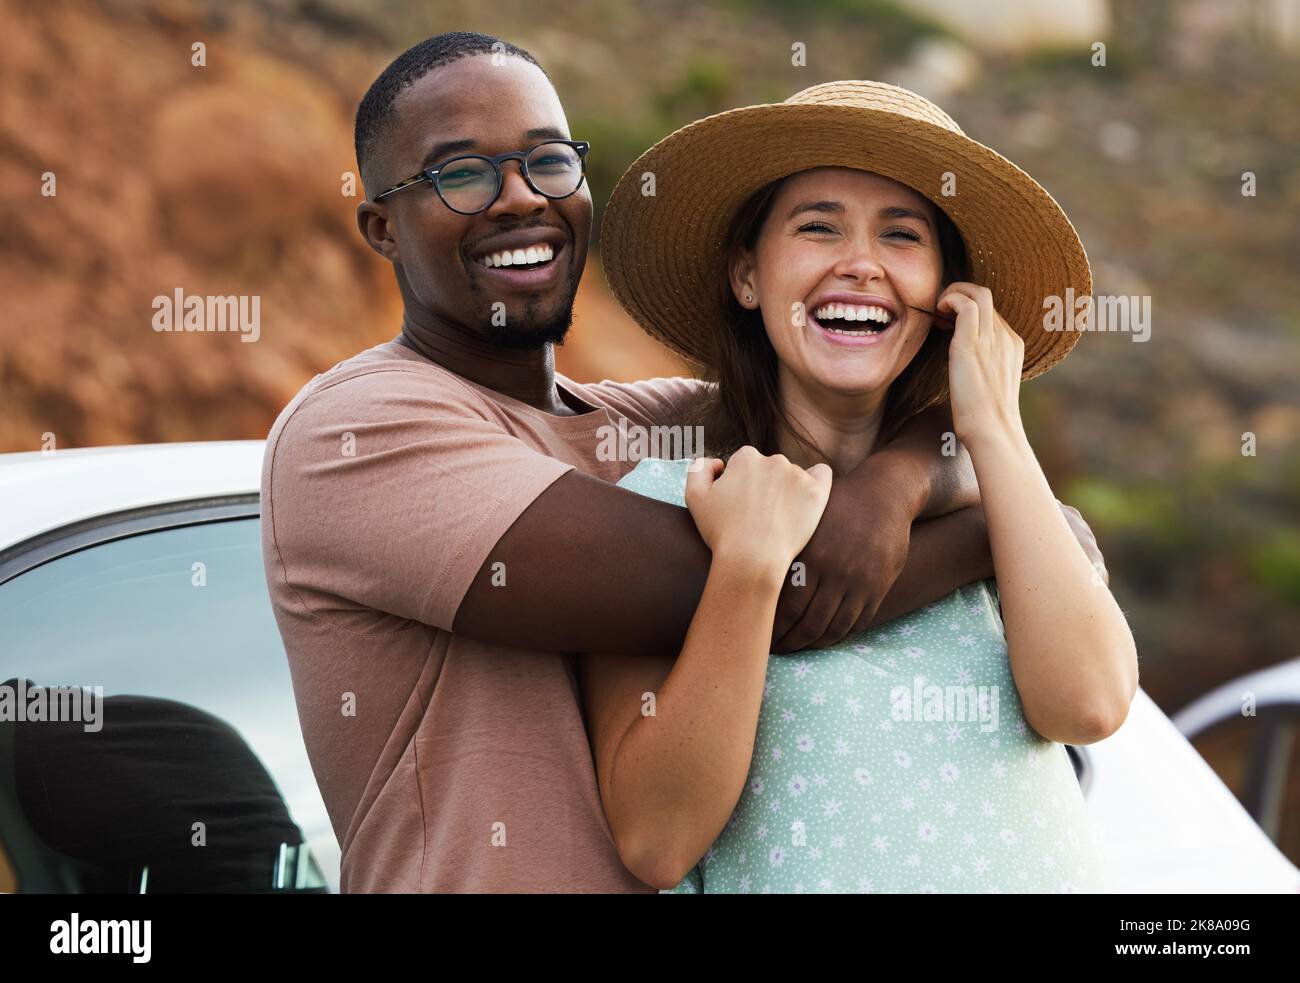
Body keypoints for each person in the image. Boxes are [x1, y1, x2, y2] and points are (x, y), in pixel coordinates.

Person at [261, 34, 1108, 892]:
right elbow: (796, 581)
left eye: (548, 161)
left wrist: (924, 469)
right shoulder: (358, 432)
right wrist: (994, 540)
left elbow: (859, 415)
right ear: (382, 228)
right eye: (462, 174)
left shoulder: (657, 425)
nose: (520, 198)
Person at [581, 79, 1138, 893]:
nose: (861, 264)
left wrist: (994, 428)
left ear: (949, 299)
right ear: (746, 276)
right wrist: (747, 566)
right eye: (817, 227)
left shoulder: (996, 495)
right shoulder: (665, 501)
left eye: (902, 236)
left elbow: (1087, 703)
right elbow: (657, 838)